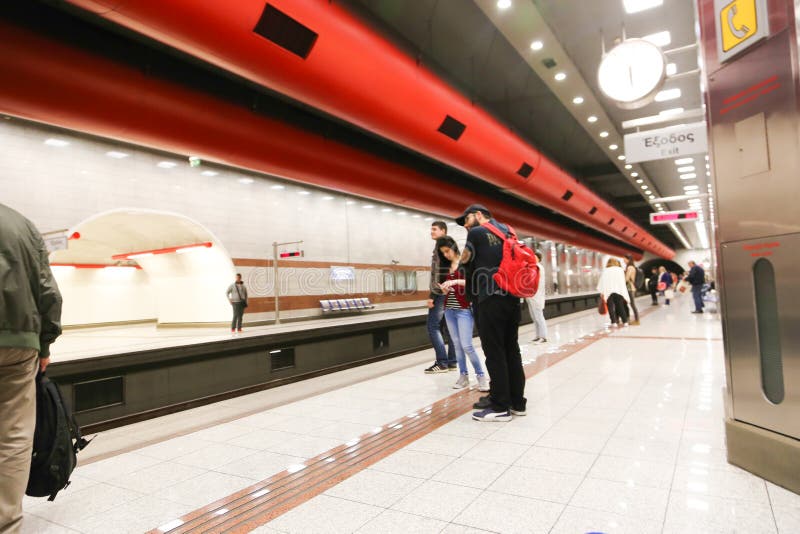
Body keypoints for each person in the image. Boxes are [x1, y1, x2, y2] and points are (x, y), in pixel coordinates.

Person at [0, 203, 63, 534]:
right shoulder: (22, 224)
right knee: (13, 436)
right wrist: (45, 342)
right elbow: (48, 290)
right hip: (20, 344)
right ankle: (7, 524)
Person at [456, 204, 525, 422]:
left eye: (466, 219)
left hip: (489, 298)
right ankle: (517, 402)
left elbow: (464, 267)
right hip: (513, 298)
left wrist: (467, 299)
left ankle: (500, 407)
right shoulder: (509, 231)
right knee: (511, 350)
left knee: (494, 352)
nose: (466, 225)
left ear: (478, 215)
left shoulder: (477, 233)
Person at [436, 236, 489, 392]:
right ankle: (463, 376)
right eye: (443, 253)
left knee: (467, 345)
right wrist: (444, 289)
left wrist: (455, 282)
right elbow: (447, 288)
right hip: (449, 310)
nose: (446, 255)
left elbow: (474, 283)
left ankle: (481, 376)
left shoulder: (465, 262)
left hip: (464, 309)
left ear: (453, 247)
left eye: (447, 251)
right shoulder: (446, 266)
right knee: (457, 346)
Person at [424, 221, 456, 373]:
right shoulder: (448, 246)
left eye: (434, 229)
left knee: (433, 326)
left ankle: (442, 362)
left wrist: (432, 295)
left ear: (443, 231)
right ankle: (452, 361)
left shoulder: (441, 247)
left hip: (440, 293)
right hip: (449, 291)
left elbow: (441, 272)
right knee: (449, 328)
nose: (432, 232)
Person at [597, 258, 630, 326]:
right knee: (620, 306)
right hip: (618, 291)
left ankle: (614, 322)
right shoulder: (620, 270)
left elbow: (602, 282)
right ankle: (625, 321)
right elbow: (622, 282)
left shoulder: (606, 270)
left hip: (608, 291)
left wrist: (602, 292)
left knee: (610, 307)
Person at [525, 251, 547, 343]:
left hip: (536, 296)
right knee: (534, 317)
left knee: (539, 317)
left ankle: (543, 337)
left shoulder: (538, 267)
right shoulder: (534, 267)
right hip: (531, 296)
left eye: (535, 257)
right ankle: (538, 335)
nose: (533, 258)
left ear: (539, 258)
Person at [623, 255, 640, 325]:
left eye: (624, 259)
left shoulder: (630, 267)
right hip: (630, 288)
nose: (624, 261)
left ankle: (637, 320)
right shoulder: (631, 267)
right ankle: (628, 319)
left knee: (632, 304)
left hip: (630, 288)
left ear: (628, 259)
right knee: (627, 304)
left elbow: (626, 278)